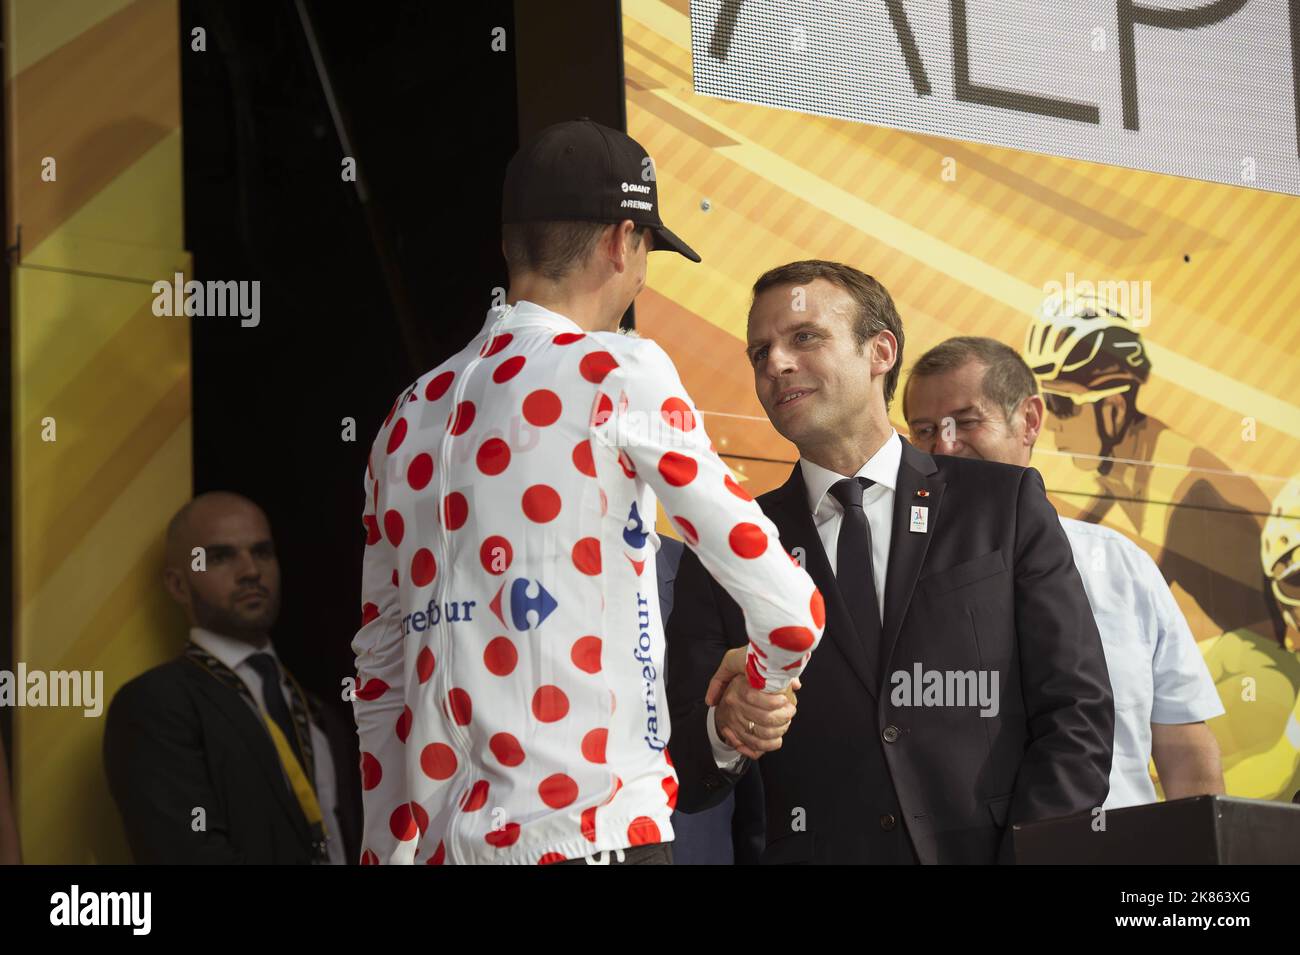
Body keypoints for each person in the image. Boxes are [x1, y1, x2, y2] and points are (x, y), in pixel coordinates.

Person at [351, 119, 823, 865]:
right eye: (645, 254)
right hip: (590, 834)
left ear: (511, 246)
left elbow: (377, 678)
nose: (640, 278)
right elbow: (792, 610)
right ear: (619, 243)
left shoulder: (404, 415)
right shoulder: (614, 370)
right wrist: (762, 680)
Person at [666, 260, 1114, 864]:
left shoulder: (1003, 505)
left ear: (880, 352)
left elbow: (1077, 715)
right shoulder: (725, 542)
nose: (776, 364)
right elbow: (685, 769)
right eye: (759, 352)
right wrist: (727, 730)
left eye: (804, 337)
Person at [903, 336, 1225, 808]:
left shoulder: (1122, 566)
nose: (944, 446)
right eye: (924, 429)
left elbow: (1184, 751)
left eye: (966, 422)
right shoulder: (891, 576)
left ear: (1029, 420)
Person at [103, 492, 362, 864]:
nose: (251, 571)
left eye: (262, 552)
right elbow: (185, 855)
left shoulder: (321, 714)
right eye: (220, 556)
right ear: (178, 586)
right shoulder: (154, 704)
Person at [1024, 293, 1273, 638]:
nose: (1051, 424)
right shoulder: (1128, 463)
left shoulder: (1189, 497)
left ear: (1112, 410)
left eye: (1060, 405)